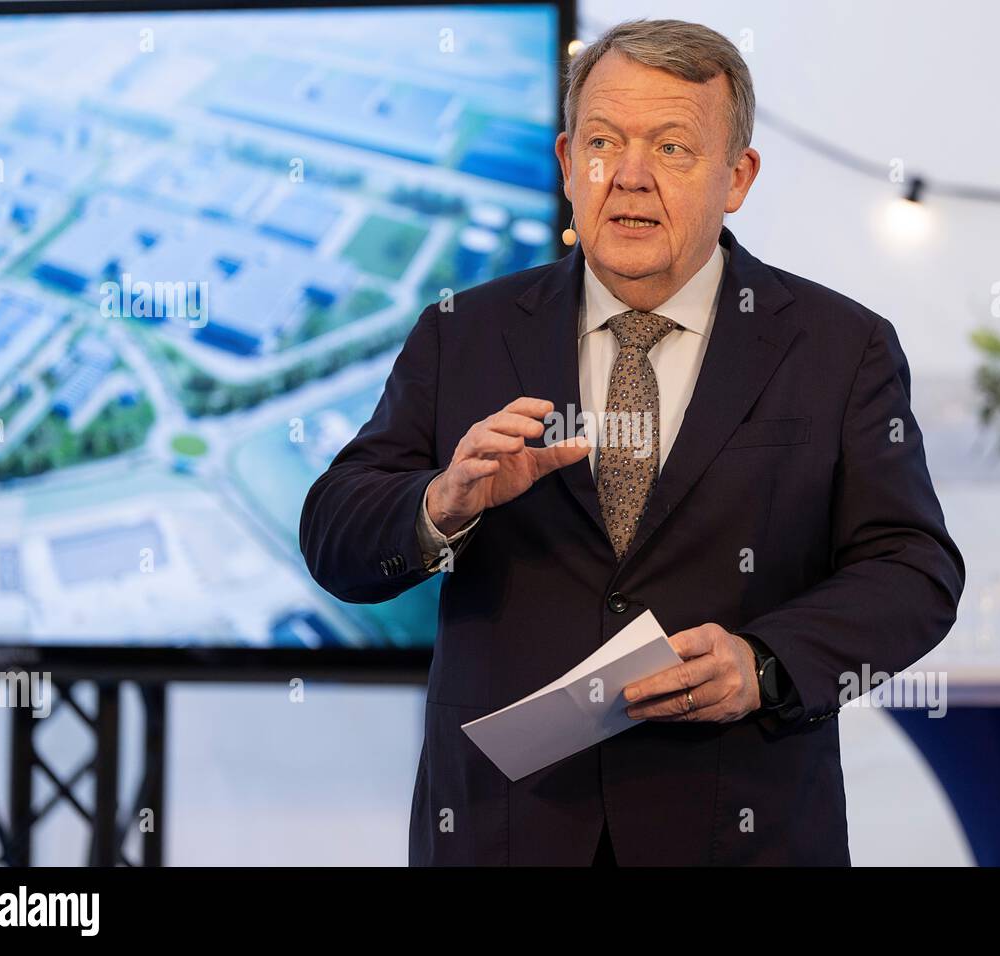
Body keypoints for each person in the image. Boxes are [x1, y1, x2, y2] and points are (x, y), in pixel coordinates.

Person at [300, 18, 964, 866]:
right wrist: (442, 502)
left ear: (739, 176)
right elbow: (332, 535)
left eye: (675, 148)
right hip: (504, 834)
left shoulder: (839, 347)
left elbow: (913, 571)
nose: (633, 178)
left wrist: (763, 663)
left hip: (740, 834)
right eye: (606, 143)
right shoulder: (463, 333)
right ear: (569, 164)